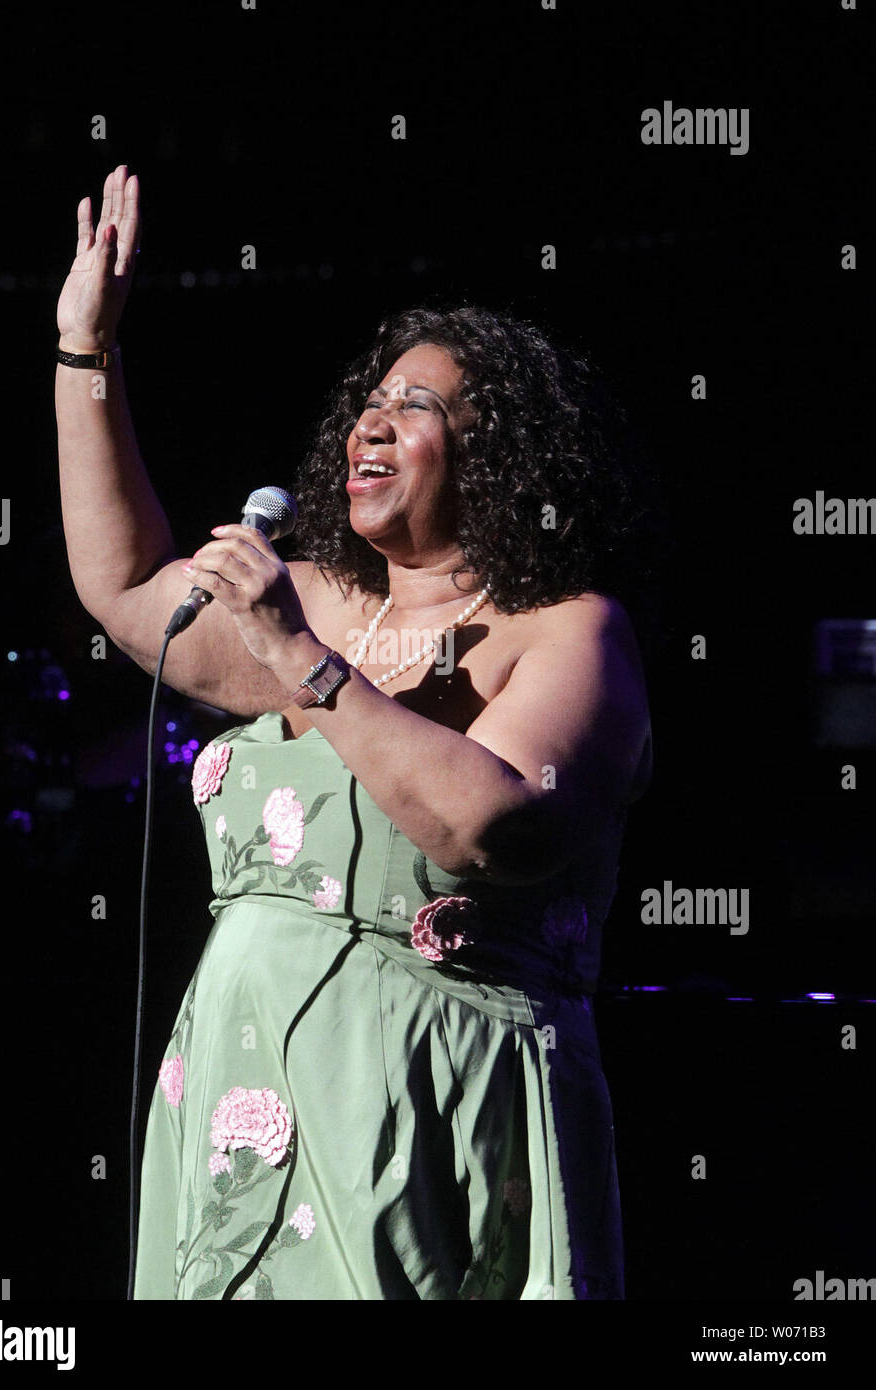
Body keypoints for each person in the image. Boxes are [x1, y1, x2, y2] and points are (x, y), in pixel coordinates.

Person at [55, 164, 655, 1300]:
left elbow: (493, 822)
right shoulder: (320, 597)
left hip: (427, 1111)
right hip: (244, 1101)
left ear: (502, 452)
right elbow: (124, 580)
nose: (373, 421)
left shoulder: (569, 633)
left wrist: (304, 666)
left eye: (417, 406)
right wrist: (86, 355)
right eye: (367, 404)